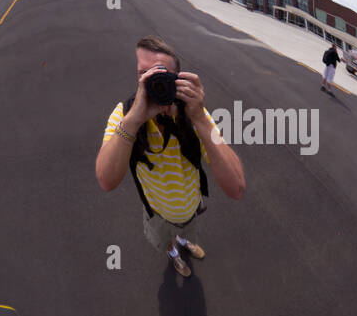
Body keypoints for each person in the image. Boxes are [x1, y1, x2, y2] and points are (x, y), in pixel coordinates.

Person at [96, 35, 245, 277]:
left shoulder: (195, 115)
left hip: (190, 206)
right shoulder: (125, 116)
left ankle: (184, 243)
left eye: (161, 75)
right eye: (144, 74)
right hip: (155, 210)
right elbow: (106, 181)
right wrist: (134, 119)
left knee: (187, 231)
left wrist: (199, 119)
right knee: (165, 238)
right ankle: (173, 253)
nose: (152, 82)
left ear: (178, 81)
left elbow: (236, 188)